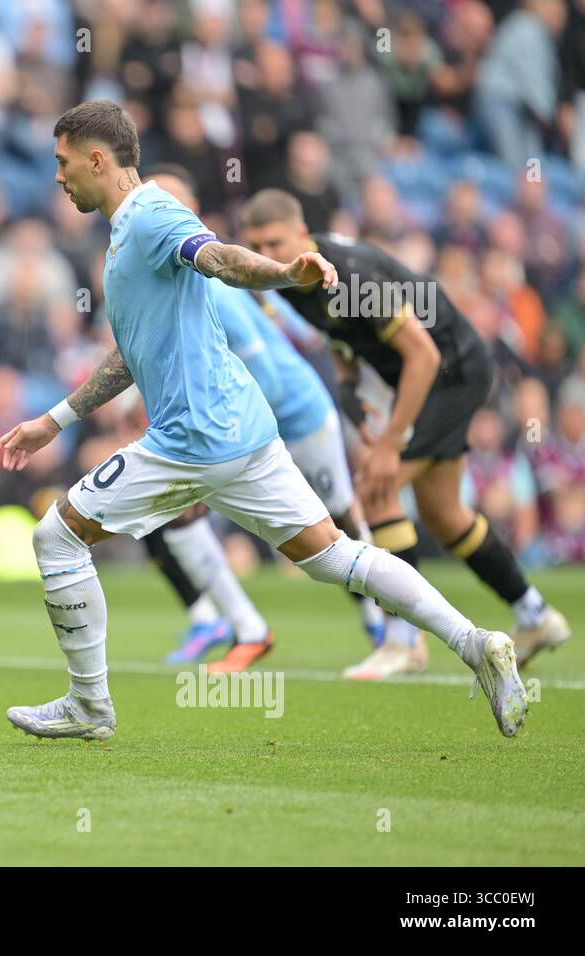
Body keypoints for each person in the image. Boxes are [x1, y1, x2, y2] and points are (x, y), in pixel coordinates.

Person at [0, 101, 526, 741]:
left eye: (63, 161)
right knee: (334, 555)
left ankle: (89, 705)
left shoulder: (152, 214)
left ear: (97, 159)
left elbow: (220, 259)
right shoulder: (126, 231)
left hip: (191, 439)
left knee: (57, 537)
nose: (57, 176)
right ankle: (476, 642)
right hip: (244, 432)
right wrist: (54, 420)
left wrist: (284, 273)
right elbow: (131, 356)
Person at [239, 187, 570, 669]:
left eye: (274, 242)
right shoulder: (290, 279)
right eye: (256, 245)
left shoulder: (352, 276)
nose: (266, 253)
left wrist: (389, 444)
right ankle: (535, 613)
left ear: (302, 232)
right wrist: (349, 385)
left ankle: (405, 641)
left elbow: (424, 355)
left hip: (451, 371)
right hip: (436, 375)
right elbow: (340, 333)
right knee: (443, 514)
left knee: (378, 488)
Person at [141, 164, 400, 678]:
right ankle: (241, 628)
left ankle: (383, 623)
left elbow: (268, 374)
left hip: (296, 418)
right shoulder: (174, 282)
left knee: (337, 524)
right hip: (238, 427)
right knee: (173, 512)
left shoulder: (211, 286)